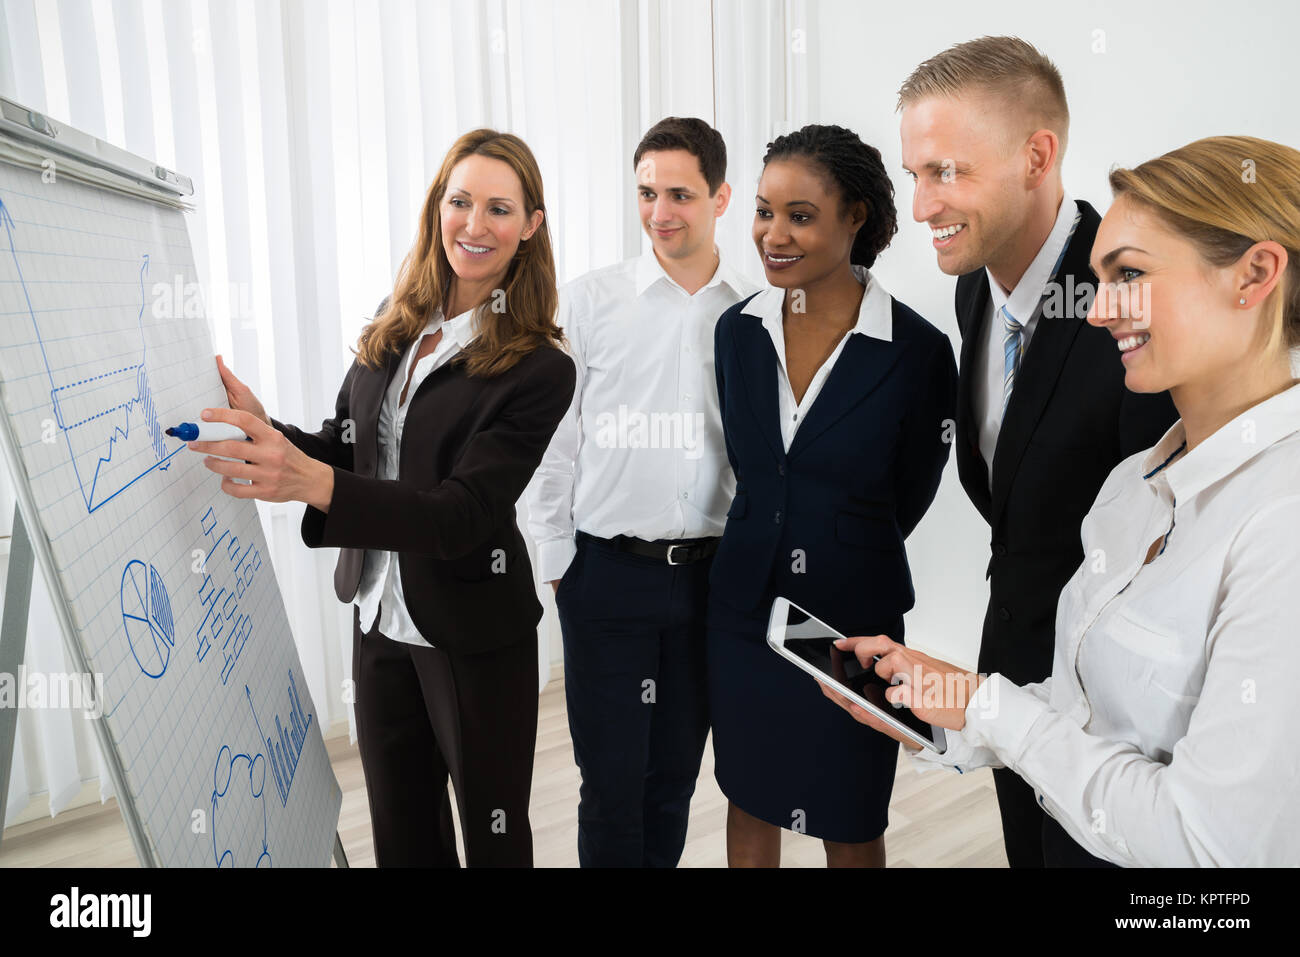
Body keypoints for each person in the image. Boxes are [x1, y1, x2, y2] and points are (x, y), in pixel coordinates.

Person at [821, 134, 1300, 867]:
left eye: (1129, 274)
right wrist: (946, 705)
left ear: (1256, 273)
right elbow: (1088, 711)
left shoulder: (1282, 520)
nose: (1099, 311)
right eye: (1100, 277)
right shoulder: (1130, 487)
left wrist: (990, 708)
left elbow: (1205, 845)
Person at [190, 129, 576, 867]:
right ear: (438, 208)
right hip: (378, 616)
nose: (474, 223)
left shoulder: (539, 367)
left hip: (472, 633)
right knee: (401, 834)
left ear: (531, 225)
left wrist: (313, 483)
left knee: (495, 841)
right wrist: (264, 427)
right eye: (459, 201)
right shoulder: (400, 322)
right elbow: (349, 448)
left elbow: (460, 514)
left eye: (500, 208)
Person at [896, 36, 1178, 867]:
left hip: (1113, 717)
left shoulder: (1133, 307)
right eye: (914, 174)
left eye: (945, 171)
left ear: (1037, 155)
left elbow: (1161, 549)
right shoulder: (970, 287)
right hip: (1011, 661)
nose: (921, 206)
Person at [708, 124, 957, 867]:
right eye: (763, 210)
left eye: (800, 215)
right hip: (744, 607)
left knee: (850, 811)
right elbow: (749, 463)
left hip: (854, 617)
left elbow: (911, 489)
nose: (772, 234)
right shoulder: (736, 332)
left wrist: (843, 536)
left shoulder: (916, 351)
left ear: (855, 217)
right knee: (748, 795)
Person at [525, 117, 757, 867]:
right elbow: (551, 442)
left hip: (708, 581)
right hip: (606, 578)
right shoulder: (591, 301)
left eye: (680, 194)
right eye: (647, 192)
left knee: (674, 783)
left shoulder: (753, 311)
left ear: (721, 197)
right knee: (612, 786)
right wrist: (560, 562)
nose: (661, 211)